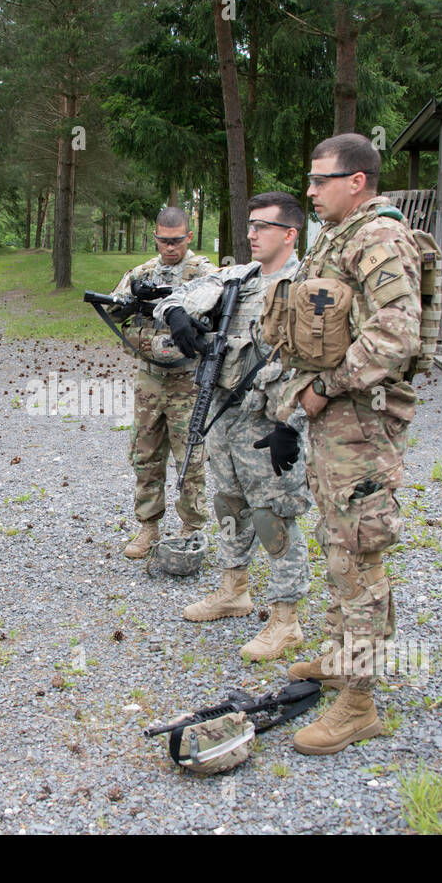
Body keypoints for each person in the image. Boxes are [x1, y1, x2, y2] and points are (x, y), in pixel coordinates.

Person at [256, 133, 422, 756]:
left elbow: (395, 334)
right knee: (338, 544)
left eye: (321, 180)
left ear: (357, 181)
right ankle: (340, 658)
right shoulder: (341, 235)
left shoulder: (379, 236)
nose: (310, 190)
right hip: (338, 423)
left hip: (361, 422)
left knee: (359, 554)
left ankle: (359, 704)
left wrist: (325, 386)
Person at [154, 192, 313, 662]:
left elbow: (318, 362)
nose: (251, 234)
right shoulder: (236, 277)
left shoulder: (306, 286)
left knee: (272, 514)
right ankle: (233, 590)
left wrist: (294, 422)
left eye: (262, 226)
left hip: (270, 418)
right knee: (229, 503)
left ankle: (286, 620)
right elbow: (174, 296)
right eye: (249, 225)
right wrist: (179, 315)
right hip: (223, 410)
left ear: (289, 234)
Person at [113, 207, 215, 559]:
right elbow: (114, 315)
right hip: (150, 377)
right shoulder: (141, 273)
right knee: (145, 453)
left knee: (190, 455)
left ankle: (191, 527)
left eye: (176, 241)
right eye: (162, 240)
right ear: (154, 236)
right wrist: (138, 312)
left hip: (190, 379)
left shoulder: (204, 274)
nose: (169, 248)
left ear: (189, 237)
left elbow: (220, 317)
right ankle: (148, 526)